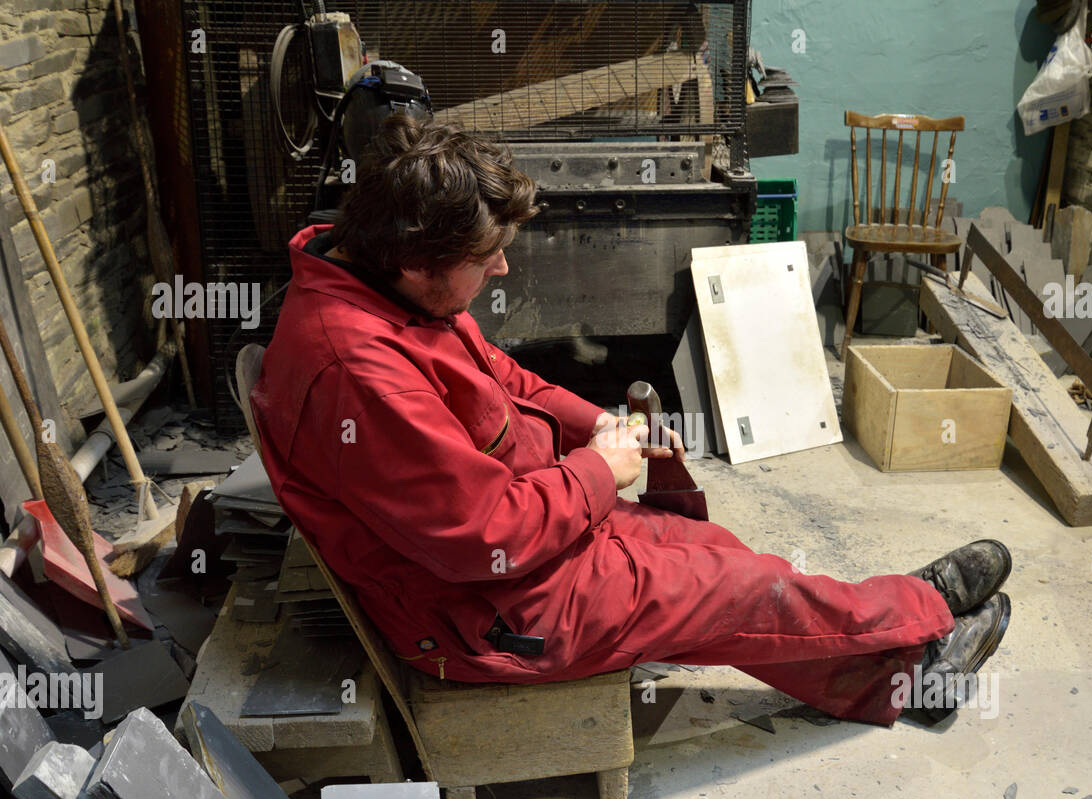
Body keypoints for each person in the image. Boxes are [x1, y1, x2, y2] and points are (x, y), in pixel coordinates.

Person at [251, 113, 1012, 726]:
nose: (503, 271)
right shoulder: (357, 370)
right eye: (487, 258)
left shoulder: (383, 283)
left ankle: (901, 655)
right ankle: (919, 619)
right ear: (418, 261)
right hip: (489, 610)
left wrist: (601, 427)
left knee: (715, 549)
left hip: (534, 539)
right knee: (738, 589)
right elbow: (485, 538)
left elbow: (503, 378)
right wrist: (596, 473)